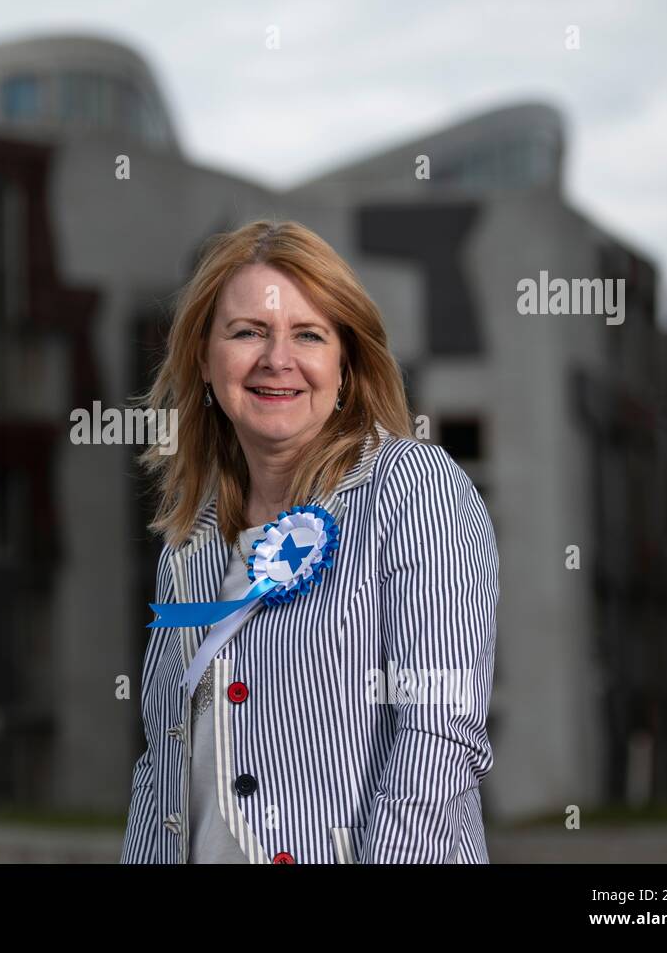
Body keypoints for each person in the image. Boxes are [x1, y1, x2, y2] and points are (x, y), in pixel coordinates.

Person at [120, 219, 498, 864]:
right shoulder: (188, 546)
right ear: (205, 360)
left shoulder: (410, 487)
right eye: (248, 332)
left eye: (308, 335)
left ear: (345, 362)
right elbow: (162, 773)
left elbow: (439, 731)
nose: (277, 359)